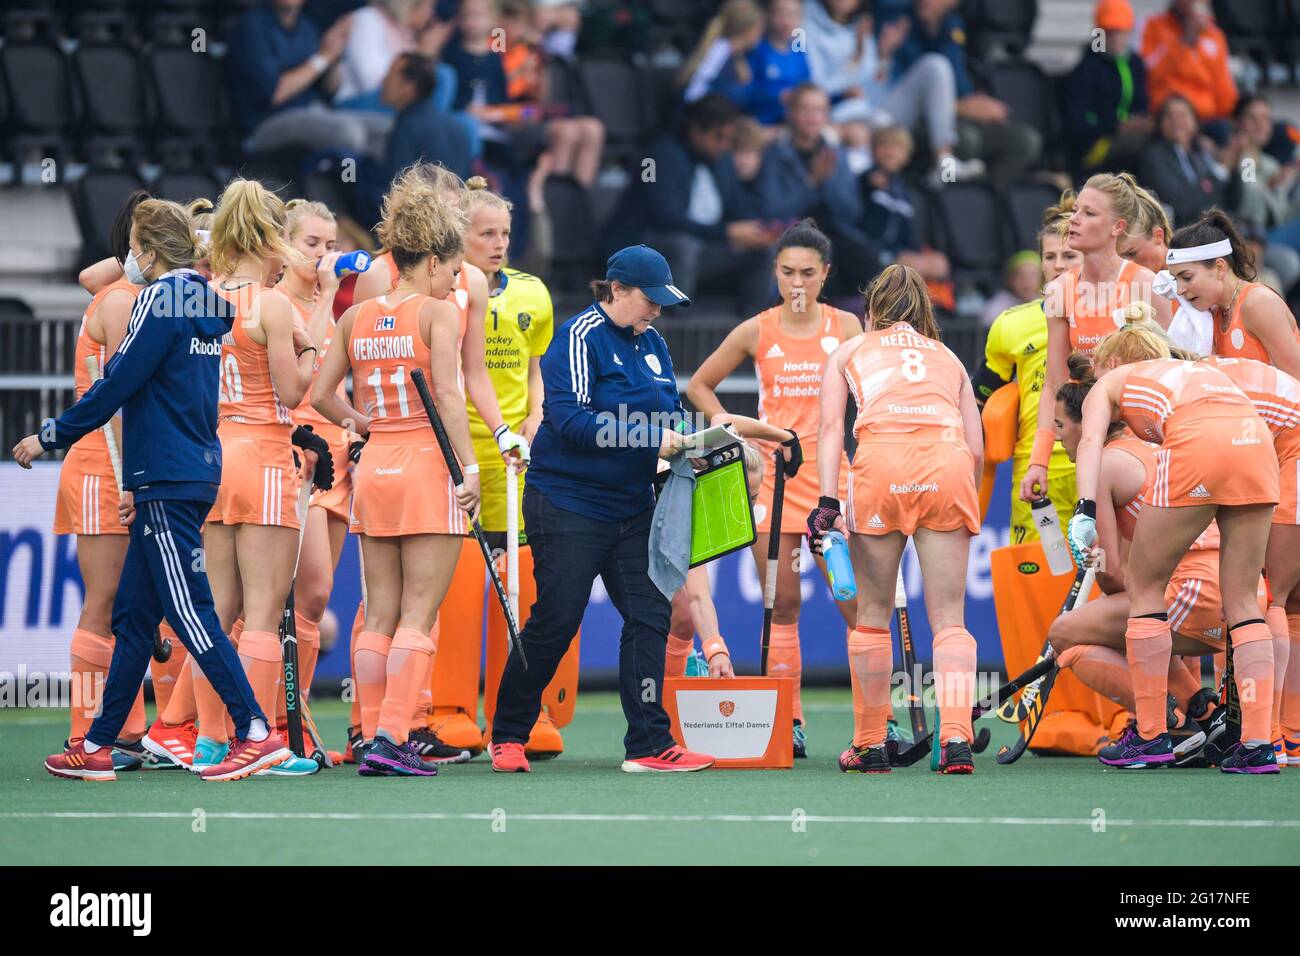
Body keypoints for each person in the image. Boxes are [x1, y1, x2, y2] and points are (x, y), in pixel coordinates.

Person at [15, 199, 292, 783]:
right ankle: (96, 745)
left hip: (163, 475)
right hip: (191, 466)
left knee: (190, 612)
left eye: (137, 247)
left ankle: (257, 732)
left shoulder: (159, 299)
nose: (130, 259)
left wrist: (51, 434)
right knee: (136, 616)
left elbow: (117, 380)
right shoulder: (207, 303)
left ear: (150, 250)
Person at [489, 245, 714, 775]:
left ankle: (649, 743)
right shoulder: (576, 336)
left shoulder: (654, 341)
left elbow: (671, 417)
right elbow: (570, 422)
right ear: (616, 291)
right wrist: (649, 439)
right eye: (648, 300)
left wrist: (700, 444)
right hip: (566, 503)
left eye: (662, 302)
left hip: (634, 507)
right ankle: (507, 731)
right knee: (557, 619)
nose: (657, 311)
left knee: (650, 613)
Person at [312, 175, 479, 776]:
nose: (457, 280)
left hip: (376, 465)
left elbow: (319, 393)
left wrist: (361, 423)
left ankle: (371, 736)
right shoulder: (436, 313)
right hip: (426, 465)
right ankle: (393, 737)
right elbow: (450, 396)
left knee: (377, 611)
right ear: (431, 260)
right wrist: (469, 467)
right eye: (454, 269)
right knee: (418, 613)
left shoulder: (356, 314)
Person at [1067, 322, 1279, 772]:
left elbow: (1090, 440)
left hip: (1201, 441)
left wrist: (1085, 507)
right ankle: (1259, 744)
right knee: (1244, 599)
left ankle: (1150, 738)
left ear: (1110, 362)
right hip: (1256, 441)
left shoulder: (1109, 382)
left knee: (1144, 585)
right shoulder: (1191, 369)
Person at [687, 221, 857, 756]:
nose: (797, 282)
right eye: (787, 271)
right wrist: (734, 434)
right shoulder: (757, 330)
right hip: (775, 486)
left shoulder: (848, 327)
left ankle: (876, 725)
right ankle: (792, 722)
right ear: (774, 273)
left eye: (808, 272)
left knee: (855, 603)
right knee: (781, 604)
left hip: (833, 482)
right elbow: (698, 385)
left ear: (826, 274)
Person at [425, 179, 581, 759]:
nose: (498, 244)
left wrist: (536, 414)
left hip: (517, 457)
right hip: (456, 454)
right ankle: (448, 711)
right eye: (485, 233)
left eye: (505, 234)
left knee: (520, 580)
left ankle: (525, 709)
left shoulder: (532, 294)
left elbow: (536, 368)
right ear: (458, 235)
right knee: (459, 583)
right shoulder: (440, 294)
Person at [810, 263, 983, 774]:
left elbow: (827, 431)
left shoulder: (849, 350)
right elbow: (975, 448)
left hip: (880, 463)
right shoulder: (948, 356)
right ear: (924, 310)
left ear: (872, 311)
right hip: (947, 463)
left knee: (871, 617)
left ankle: (869, 743)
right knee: (950, 617)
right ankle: (955, 738)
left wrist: (827, 503)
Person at [1046, 345, 1227, 767]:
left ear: (1085, 422)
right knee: (1135, 626)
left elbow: (1113, 580)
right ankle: (1203, 709)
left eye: (1059, 424)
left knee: (1066, 637)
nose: (1057, 435)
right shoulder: (1155, 446)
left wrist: (1093, 557)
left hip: (1191, 597)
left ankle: (1165, 722)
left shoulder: (1105, 464)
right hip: (1232, 600)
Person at [53, 190, 167, 771]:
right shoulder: (123, 301)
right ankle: (85, 733)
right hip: (105, 462)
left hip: (119, 460)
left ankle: (124, 732)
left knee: (132, 606)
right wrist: (131, 482)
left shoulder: (135, 292)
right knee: (103, 604)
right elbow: (121, 399)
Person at [1022, 173, 1171, 505]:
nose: (1074, 220)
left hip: (1141, 443)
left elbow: (1173, 376)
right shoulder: (1060, 290)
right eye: (1076, 210)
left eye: (1089, 213)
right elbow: (1055, 384)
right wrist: (1038, 461)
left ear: (1117, 227)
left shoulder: (1144, 284)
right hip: (1090, 438)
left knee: (1125, 554)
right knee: (1095, 553)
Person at [1201, 353, 1300, 765]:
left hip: (1291, 460)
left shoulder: (1183, 392)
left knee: (1268, 597)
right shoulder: (1203, 374)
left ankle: (1273, 736)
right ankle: (1289, 733)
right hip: (1282, 453)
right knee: (1289, 603)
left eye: (1188, 280)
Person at [974, 192, 1081, 542]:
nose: (1059, 264)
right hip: (1037, 471)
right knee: (1042, 577)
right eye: (1050, 256)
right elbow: (980, 398)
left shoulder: (1110, 315)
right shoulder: (1011, 325)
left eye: (1069, 255)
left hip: (1096, 467)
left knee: (1105, 576)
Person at [278, 200, 346, 727]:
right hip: (295, 457)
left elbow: (337, 385)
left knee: (314, 605)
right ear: (283, 244)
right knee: (311, 588)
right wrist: (325, 295)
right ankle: (275, 718)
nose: (324, 255)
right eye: (312, 244)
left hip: (336, 456)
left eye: (330, 245)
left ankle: (291, 716)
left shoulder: (337, 308)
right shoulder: (277, 304)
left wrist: (359, 427)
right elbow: (299, 383)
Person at [612, 94, 773, 316]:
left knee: (763, 251)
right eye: (718, 137)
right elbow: (665, 217)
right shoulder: (655, 159)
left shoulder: (723, 161)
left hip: (707, 247)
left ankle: (751, 328)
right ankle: (674, 329)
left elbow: (739, 206)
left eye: (729, 139)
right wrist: (727, 233)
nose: (725, 145)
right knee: (684, 247)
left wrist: (760, 230)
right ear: (696, 130)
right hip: (651, 248)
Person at [804, 0, 978, 182]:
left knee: (936, 65)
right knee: (875, 127)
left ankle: (945, 164)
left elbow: (873, 86)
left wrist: (883, 56)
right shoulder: (804, 26)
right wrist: (854, 63)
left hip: (873, 110)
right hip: (838, 113)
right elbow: (810, 84)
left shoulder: (863, 24)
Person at [882, 0, 1041, 187]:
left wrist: (977, 104)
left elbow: (958, 77)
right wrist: (960, 107)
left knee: (1025, 141)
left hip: (958, 114)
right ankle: (946, 180)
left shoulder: (953, 25)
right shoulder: (898, 22)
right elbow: (897, 95)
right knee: (966, 140)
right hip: (915, 120)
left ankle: (981, 198)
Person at [756, 84, 872, 300]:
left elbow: (851, 212)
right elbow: (771, 210)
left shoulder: (837, 154)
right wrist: (811, 182)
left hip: (836, 235)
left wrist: (827, 182)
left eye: (818, 110)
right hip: (791, 239)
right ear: (790, 113)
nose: (811, 117)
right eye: (804, 109)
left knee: (869, 263)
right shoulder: (773, 155)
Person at [227, 1, 381, 156]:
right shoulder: (252, 26)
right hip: (266, 122)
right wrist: (323, 57)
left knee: (386, 131)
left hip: (316, 111)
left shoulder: (306, 27)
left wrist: (336, 52)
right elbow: (274, 93)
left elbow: (329, 90)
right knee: (349, 132)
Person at [1168, 208, 1300, 380]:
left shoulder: (1258, 303)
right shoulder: (1210, 313)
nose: (1180, 290)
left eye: (1186, 277)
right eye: (1175, 280)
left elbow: (1297, 377)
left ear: (1220, 268)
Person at [1117, 181, 1213, 356]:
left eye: (1131, 253)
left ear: (1158, 236)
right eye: (1121, 257)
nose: (1127, 263)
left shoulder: (1200, 275)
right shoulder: (1122, 287)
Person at [1059, 0, 1151, 175]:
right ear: (1099, 33)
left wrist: (1142, 121)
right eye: (1109, 32)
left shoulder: (1135, 64)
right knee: (1148, 145)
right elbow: (1077, 123)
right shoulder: (1086, 68)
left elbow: (1142, 103)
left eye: (1121, 32)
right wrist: (1116, 125)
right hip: (1096, 144)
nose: (1116, 38)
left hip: (1126, 135)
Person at [1139, 0, 1237, 132]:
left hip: (1205, 119)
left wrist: (1233, 118)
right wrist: (1184, 41)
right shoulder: (1154, 26)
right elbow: (1149, 74)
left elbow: (1223, 87)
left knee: (1224, 130)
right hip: (1167, 116)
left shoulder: (1215, 35)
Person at [1137, 94, 1234, 227]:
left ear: (1195, 122)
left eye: (1182, 115)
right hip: (1180, 233)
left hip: (1210, 229)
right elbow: (1182, 205)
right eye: (1169, 116)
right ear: (1160, 124)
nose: (1175, 120)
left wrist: (1241, 162)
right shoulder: (1154, 156)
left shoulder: (1200, 154)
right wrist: (1220, 171)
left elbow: (1232, 200)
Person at [678, 0, 766, 111]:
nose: (761, 37)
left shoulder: (738, 56)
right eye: (759, 31)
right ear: (748, 30)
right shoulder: (719, 52)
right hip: (701, 119)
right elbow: (694, 94)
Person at [744, 0, 810, 126]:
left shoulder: (798, 50)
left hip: (795, 122)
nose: (786, 21)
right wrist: (776, 97)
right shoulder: (756, 48)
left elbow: (807, 85)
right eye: (780, 13)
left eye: (793, 15)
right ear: (768, 15)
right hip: (760, 122)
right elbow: (743, 93)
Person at [981, 251, 1041, 328]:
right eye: (1020, 275)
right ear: (1009, 279)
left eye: (1033, 275)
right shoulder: (997, 307)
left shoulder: (1048, 303)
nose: (1027, 281)